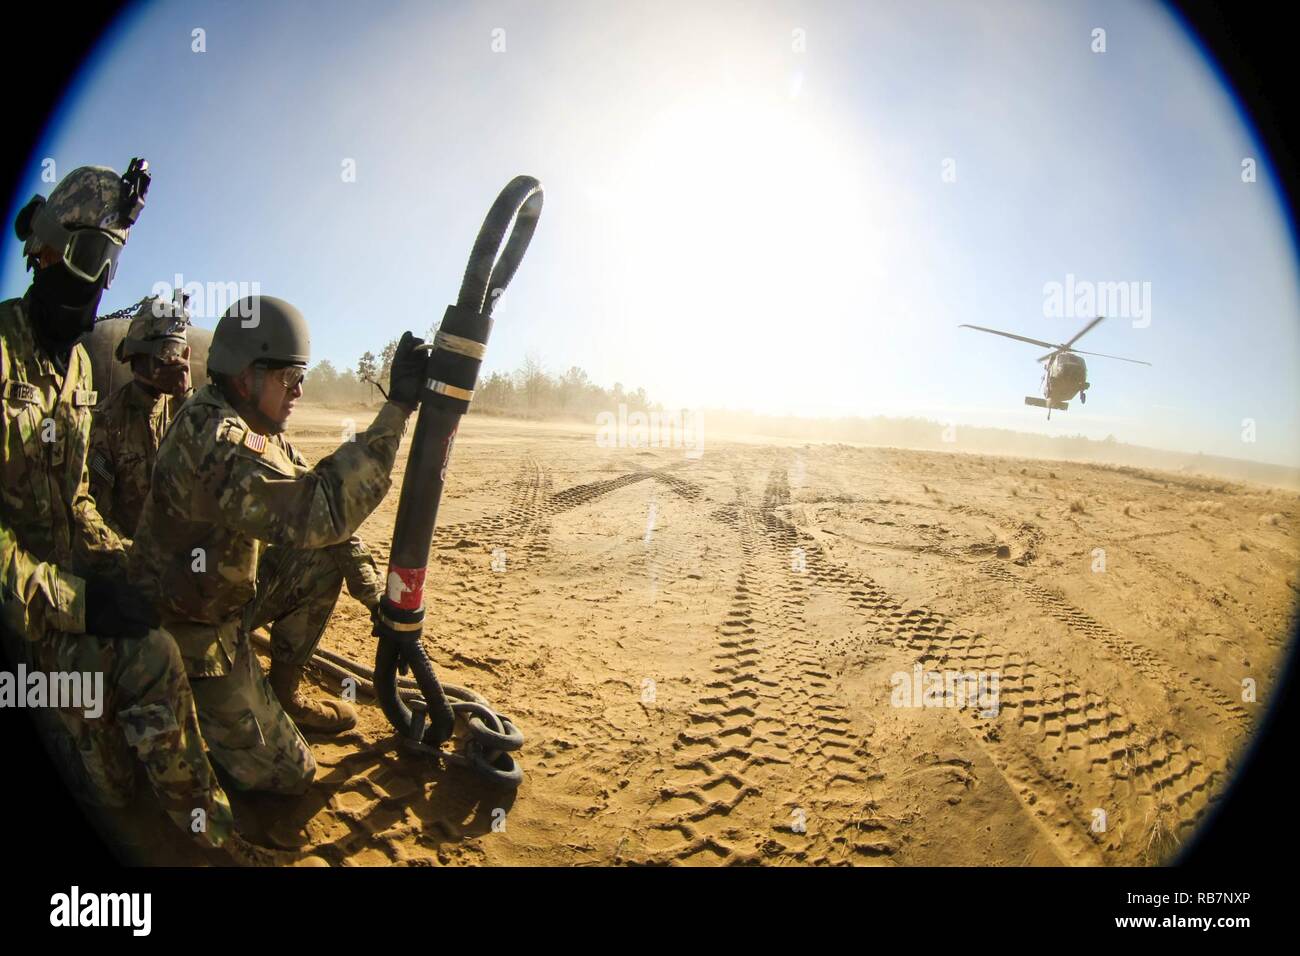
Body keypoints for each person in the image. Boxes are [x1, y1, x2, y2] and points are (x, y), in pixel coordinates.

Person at [0, 160, 236, 856]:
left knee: (160, 597)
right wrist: (78, 603)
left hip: (59, 594)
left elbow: (75, 501)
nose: (104, 282)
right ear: (44, 249)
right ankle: (211, 838)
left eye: (113, 263)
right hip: (24, 612)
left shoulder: (73, 366)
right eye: (93, 256)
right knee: (150, 659)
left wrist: (127, 564)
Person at [129, 295, 423, 795]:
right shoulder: (217, 440)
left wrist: (374, 595)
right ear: (247, 377)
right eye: (290, 379)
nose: (301, 391)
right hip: (189, 629)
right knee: (290, 775)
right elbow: (322, 507)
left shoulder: (256, 429)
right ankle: (187, 716)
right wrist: (396, 411)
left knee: (325, 560)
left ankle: (280, 694)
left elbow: (330, 524)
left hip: (225, 596)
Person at [88, 292, 193, 539]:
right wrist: (136, 560)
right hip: (131, 559)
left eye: (179, 351)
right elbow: (96, 513)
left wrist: (186, 398)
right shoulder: (107, 420)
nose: (175, 361)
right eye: (167, 351)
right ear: (140, 354)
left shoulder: (187, 410)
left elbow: (214, 467)